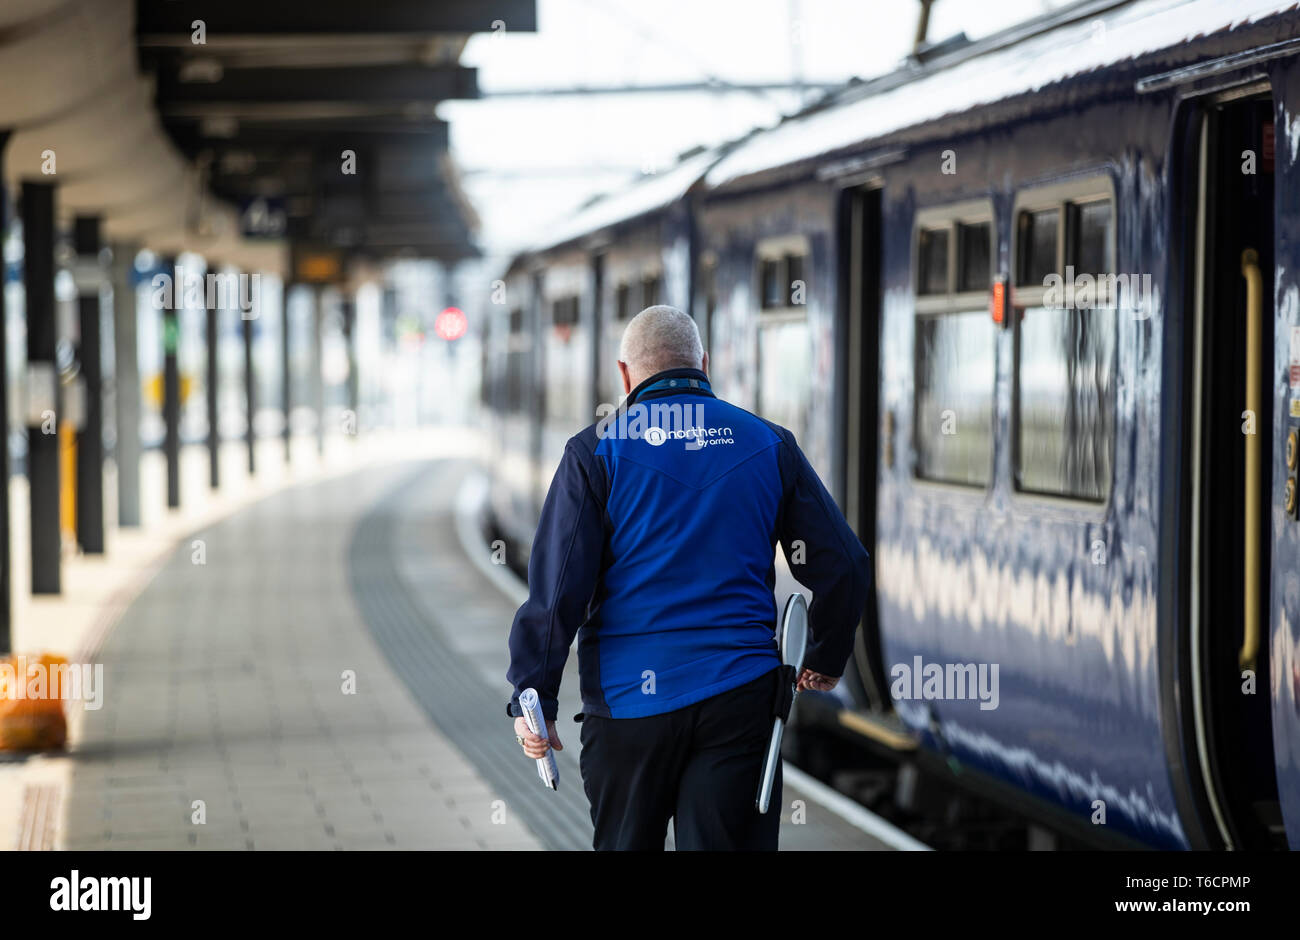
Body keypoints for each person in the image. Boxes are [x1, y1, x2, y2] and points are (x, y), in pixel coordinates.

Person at [506, 304, 870, 850]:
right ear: (703, 363)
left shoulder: (594, 450)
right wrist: (824, 654)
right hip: (739, 701)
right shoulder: (768, 443)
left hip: (629, 707)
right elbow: (844, 562)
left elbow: (558, 589)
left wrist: (534, 698)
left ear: (625, 374)